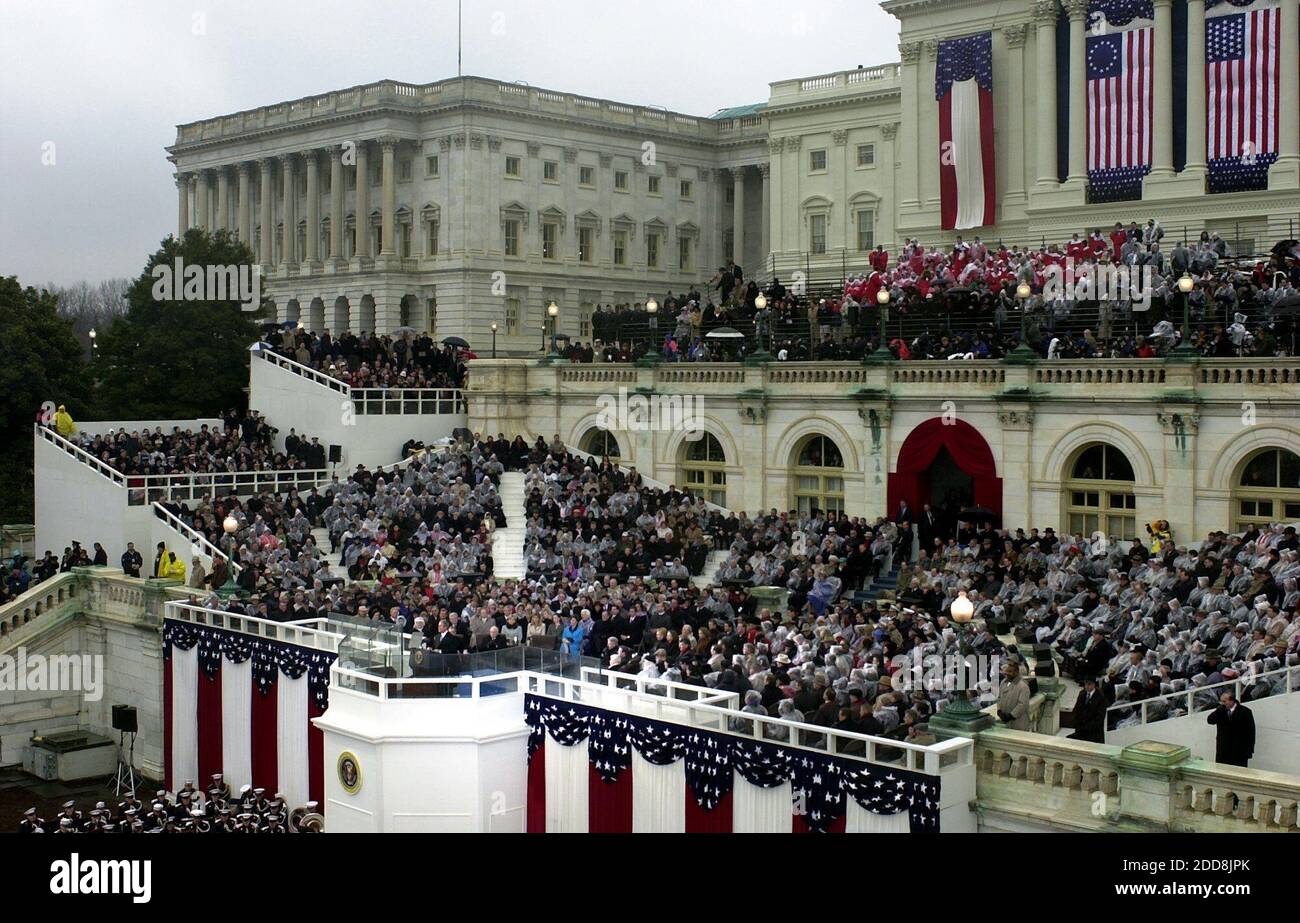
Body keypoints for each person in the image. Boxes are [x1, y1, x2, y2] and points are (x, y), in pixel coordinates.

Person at [1206, 691, 1255, 767]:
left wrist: (1249, 751)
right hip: (1223, 749)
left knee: (1238, 773)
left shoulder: (1245, 712)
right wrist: (1218, 711)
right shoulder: (1221, 711)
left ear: (1232, 701)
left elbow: (1251, 732)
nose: (1222, 703)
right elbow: (1210, 720)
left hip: (1239, 750)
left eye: (1224, 701)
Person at [1068, 675, 1108, 743]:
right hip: (1081, 730)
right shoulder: (1082, 694)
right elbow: (1076, 710)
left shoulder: (1100, 697)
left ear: (1094, 685)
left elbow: (1099, 718)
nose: (1086, 686)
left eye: (1089, 684)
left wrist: (1086, 727)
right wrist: (1076, 723)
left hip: (1093, 734)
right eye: (1085, 684)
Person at [996, 660, 1032, 730]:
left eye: (1010, 671)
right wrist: (999, 710)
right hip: (1005, 722)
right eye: (1006, 671)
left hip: (1019, 723)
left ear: (1016, 672)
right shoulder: (1003, 682)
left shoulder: (1023, 686)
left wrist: (1011, 716)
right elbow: (999, 698)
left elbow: (1022, 704)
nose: (1007, 673)